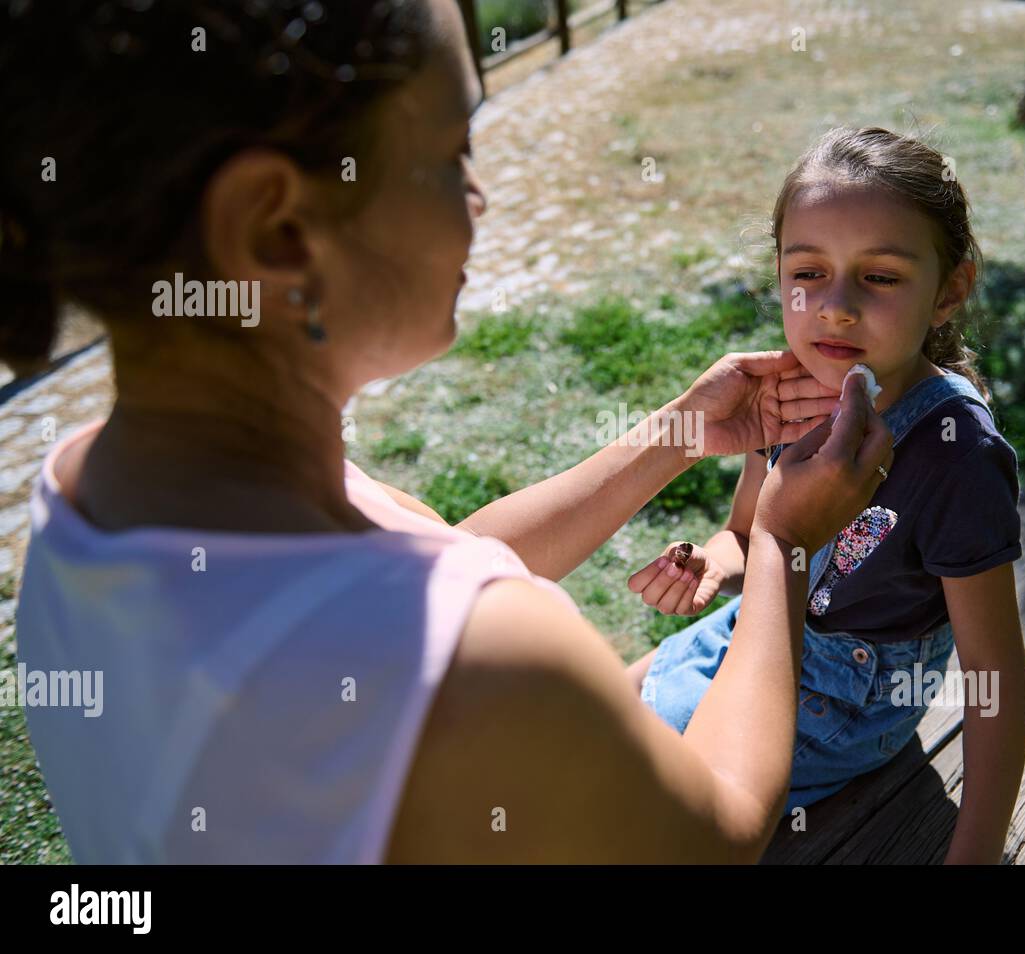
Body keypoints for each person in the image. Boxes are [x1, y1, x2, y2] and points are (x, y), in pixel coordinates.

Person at [2, 1, 892, 863]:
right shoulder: (488, 663)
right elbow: (722, 829)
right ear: (276, 228)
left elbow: (422, 564)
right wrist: (780, 541)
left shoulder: (88, 484)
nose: (482, 196)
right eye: (451, 151)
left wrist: (676, 433)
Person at [626, 127, 1025, 864]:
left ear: (950, 290)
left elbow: (994, 681)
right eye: (809, 271)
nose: (835, 308)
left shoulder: (958, 456)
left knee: (627, 789)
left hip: (851, 700)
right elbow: (747, 534)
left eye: (880, 277)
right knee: (586, 707)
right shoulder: (791, 392)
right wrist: (713, 565)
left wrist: (973, 856)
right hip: (756, 632)